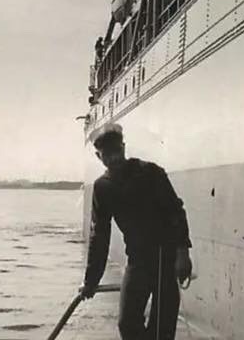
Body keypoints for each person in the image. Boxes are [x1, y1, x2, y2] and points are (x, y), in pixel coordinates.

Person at [79, 124, 192, 340]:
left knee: (162, 332)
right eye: (107, 154)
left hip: (165, 261)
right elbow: (100, 236)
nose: (113, 158)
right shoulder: (102, 188)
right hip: (137, 262)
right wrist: (91, 281)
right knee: (127, 325)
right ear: (98, 155)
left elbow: (176, 212)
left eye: (117, 151)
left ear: (123, 147)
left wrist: (183, 254)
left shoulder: (151, 173)